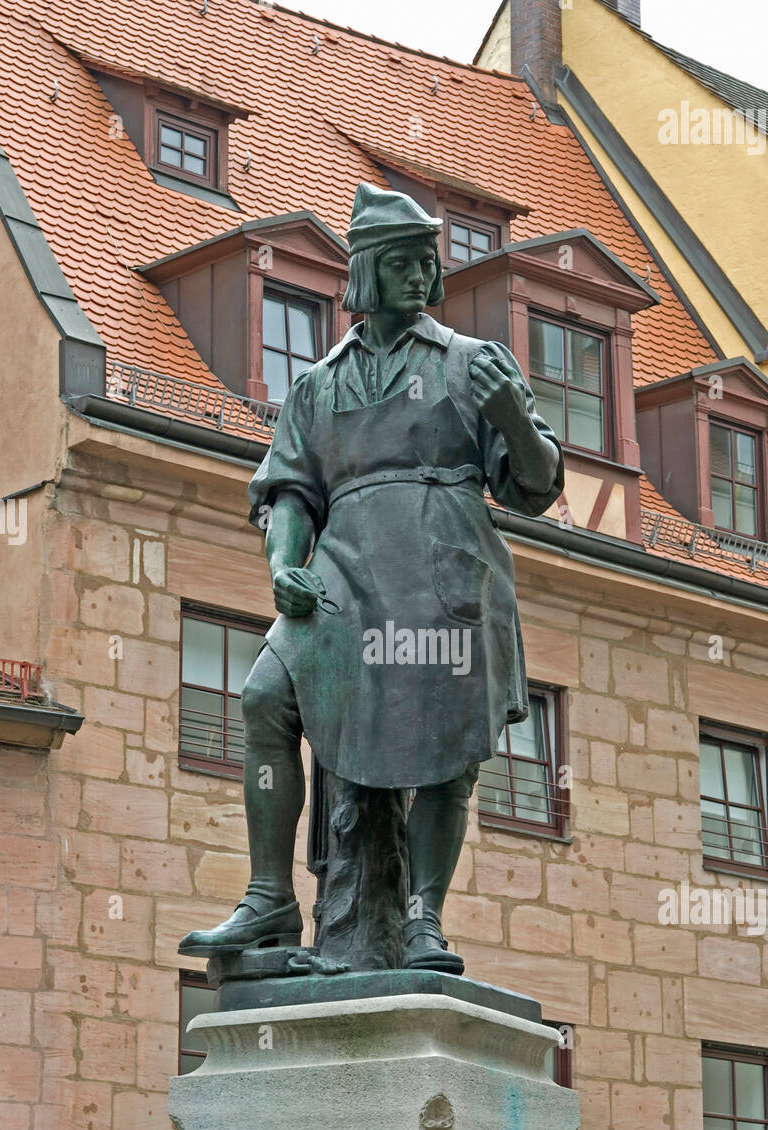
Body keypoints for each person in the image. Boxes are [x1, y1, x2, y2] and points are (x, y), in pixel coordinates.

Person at [180, 183, 563, 972]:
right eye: (400, 263)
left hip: (444, 571)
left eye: (427, 261)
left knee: (445, 754)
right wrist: (285, 565)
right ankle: (268, 897)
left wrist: (517, 420)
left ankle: (424, 919)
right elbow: (289, 491)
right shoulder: (318, 384)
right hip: (345, 579)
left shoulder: (471, 364)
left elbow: (535, 485)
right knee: (262, 698)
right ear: (364, 271)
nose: (419, 275)